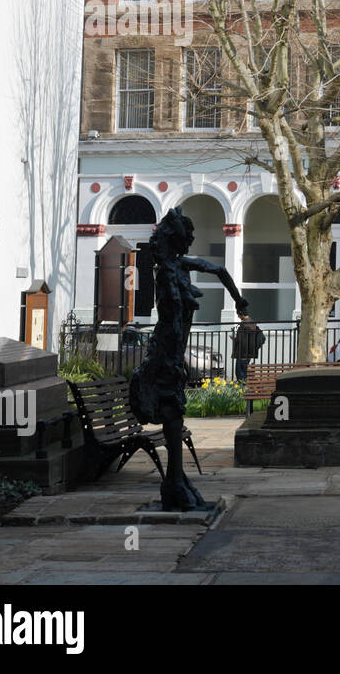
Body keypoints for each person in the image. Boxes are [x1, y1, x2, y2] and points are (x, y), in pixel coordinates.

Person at [128, 207, 247, 511]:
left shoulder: (181, 266)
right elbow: (173, 315)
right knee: (173, 416)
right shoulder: (167, 272)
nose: (190, 243)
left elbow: (218, 270)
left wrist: (237, 298)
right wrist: (174, 360)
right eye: (187, 237)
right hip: (167, 351)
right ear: (175, 239)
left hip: (174, 351)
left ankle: (176, 480)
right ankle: (174, 484)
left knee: (175, 416)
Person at [231, 313, 265, 383]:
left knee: (241, 375)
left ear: (241, 314)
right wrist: (254, 348)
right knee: (244, 373)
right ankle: (244, 389)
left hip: (242, 352)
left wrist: (235, 339)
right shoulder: (252, 323)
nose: (238, 316)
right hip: (248, 352)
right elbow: (262, 338)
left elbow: (241, 340)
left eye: (238, 315)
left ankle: (242, 391)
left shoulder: (245, 324)